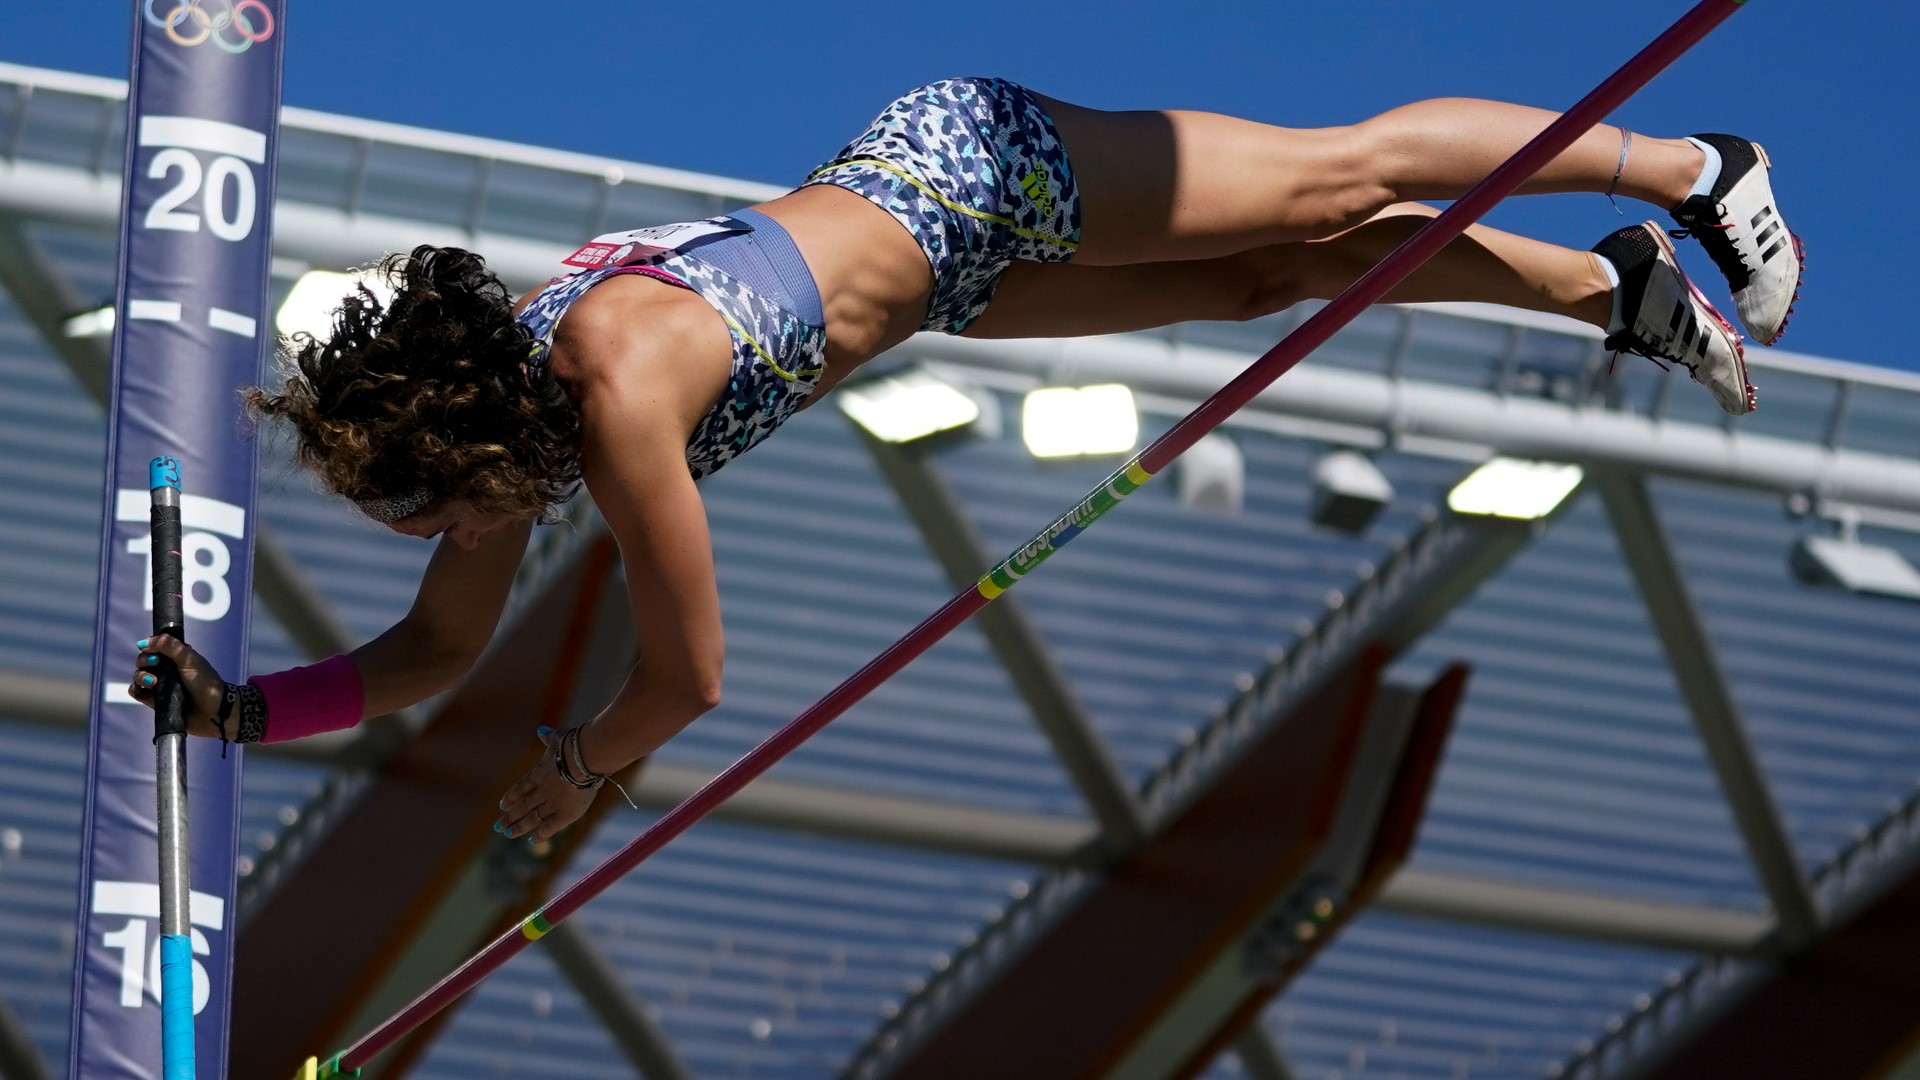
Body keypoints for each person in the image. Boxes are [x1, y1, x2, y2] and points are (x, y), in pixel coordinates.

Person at [129, 77, 1802, 842]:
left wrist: (584, 765)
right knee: (1271, 279)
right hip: (948, 284)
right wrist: (242, 710)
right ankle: (1614, 293)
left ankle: (1685, 165)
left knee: (1330, 179)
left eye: (418, 501)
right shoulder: (522, 430)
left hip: (967, 176)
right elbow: (435, 649)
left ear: (452, 435)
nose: (442, 532)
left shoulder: (614, 390)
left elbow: (690, 674)